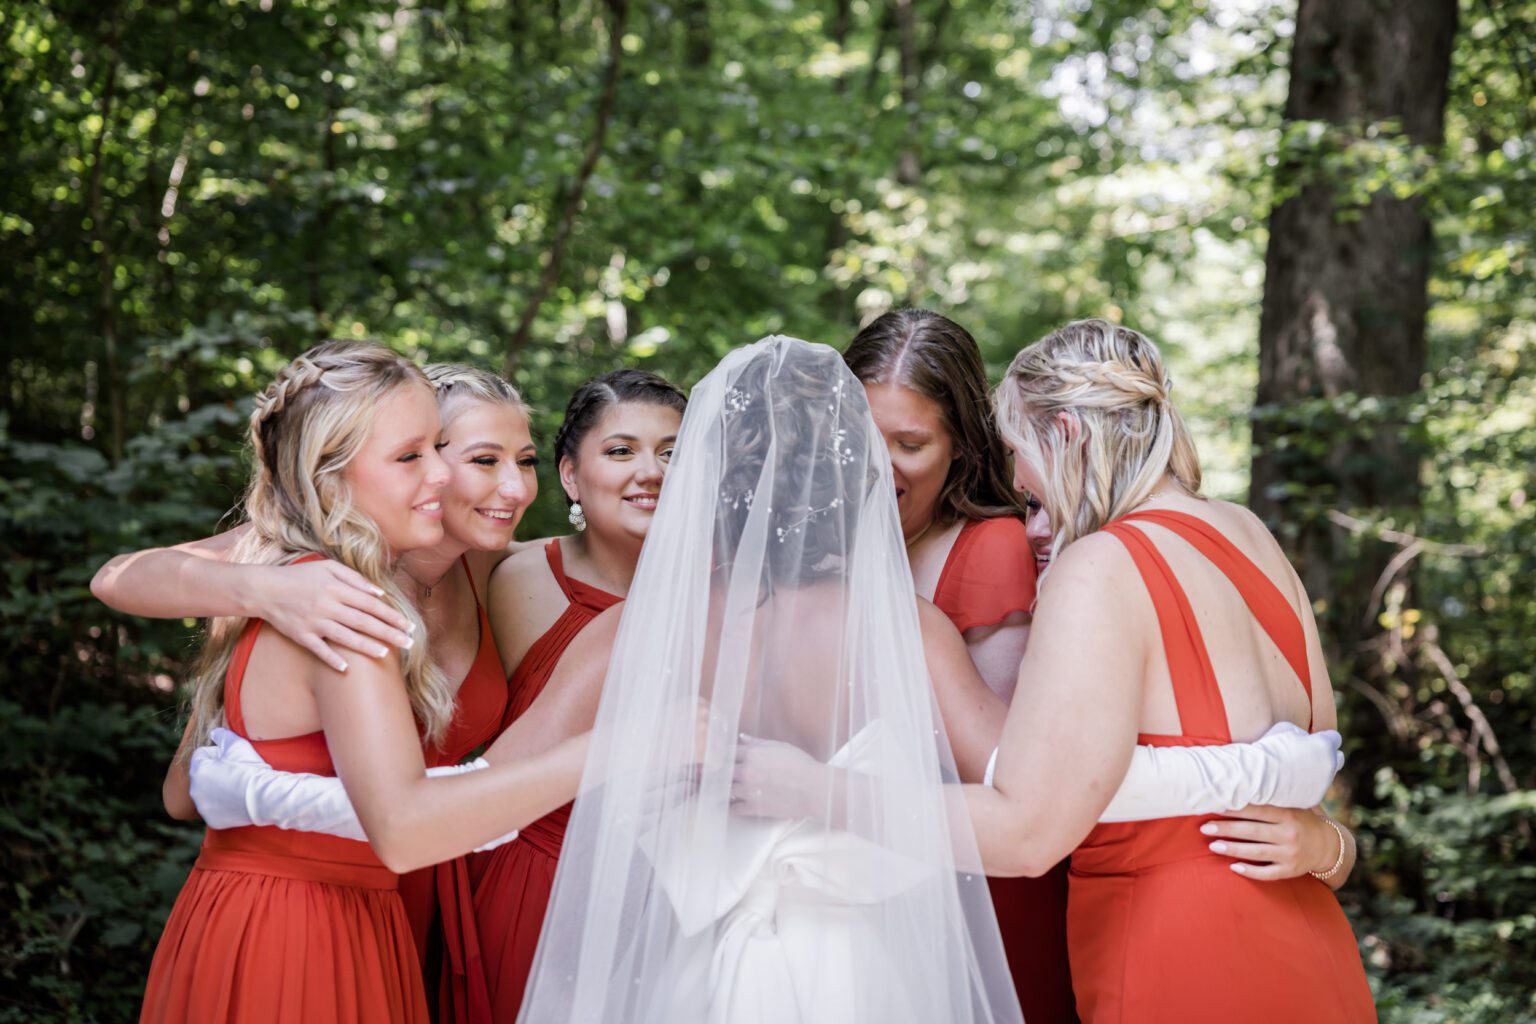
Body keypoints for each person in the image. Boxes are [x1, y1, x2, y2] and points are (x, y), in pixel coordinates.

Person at [519, 336, 1025, 1024]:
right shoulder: (907, 629)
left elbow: (487, 792)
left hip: (690, 968)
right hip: (866, 975)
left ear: (709, 471)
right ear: (851, 474)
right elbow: (1023, 804)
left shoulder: (640, 632)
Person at [126, 341, 589, 1024]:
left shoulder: (474, 571)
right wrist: (618, 749)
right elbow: (394, 823)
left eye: (437, 449)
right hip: (307, 921)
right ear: (333, 476)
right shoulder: (330, 600)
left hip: (340, 908)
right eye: (416, 455)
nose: (446, 475)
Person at [964, 319, 1375, 1022]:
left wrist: (814, 794)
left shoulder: (1099, 566)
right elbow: (1320, 756)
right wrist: (1333, 847)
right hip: (1313, 950)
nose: (1028, 513)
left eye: (1021, 468)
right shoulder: (1252, 536)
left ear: (1066, 433)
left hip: (1178, 961)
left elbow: (1027, 826)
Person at [844, 308, 1072, 1022]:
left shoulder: (991, 549)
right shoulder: (815, 551)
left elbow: (998, 766)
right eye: (861, 438)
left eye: (910, 443)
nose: (879, 465)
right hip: (848, 893)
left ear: (962, 449)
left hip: (973, 897)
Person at [473, 369, 686, 1021]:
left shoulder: (728, 595)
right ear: (570, 475)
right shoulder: (512, 578)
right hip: (538, 881)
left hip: (683, 894)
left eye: (672, 453)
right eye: (621, 451)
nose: (649, 471)